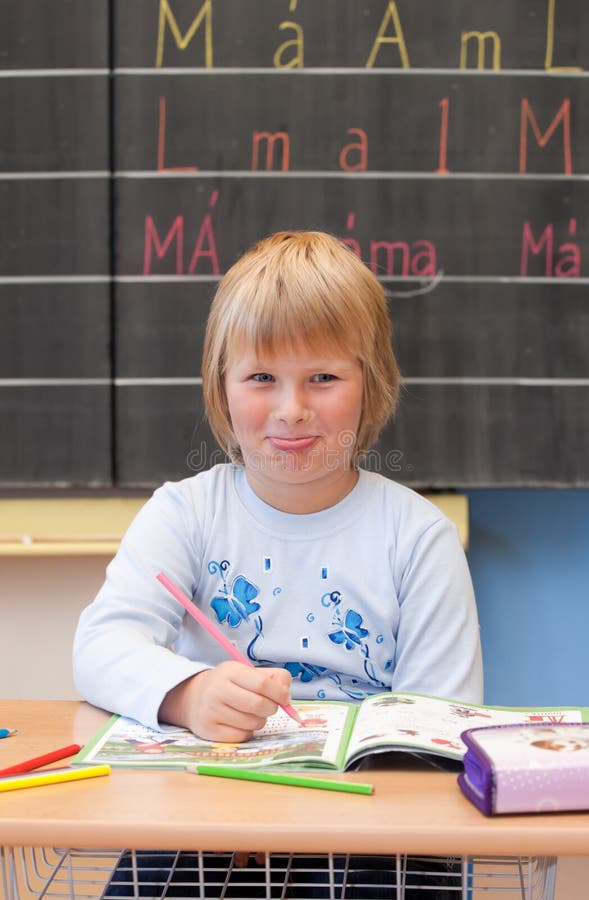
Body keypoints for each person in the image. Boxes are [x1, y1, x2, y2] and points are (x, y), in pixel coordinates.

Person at [73, 230, 483, 897]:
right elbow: (100, 646)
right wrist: (190, 693)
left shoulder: (417, 537)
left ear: (369, 384)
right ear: (222, 385)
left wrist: (308, 815)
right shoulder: (185, 514)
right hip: (210, 821)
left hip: (374, 832)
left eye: (323, 378)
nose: (291, 410)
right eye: (262, 377)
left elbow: (441, 731)